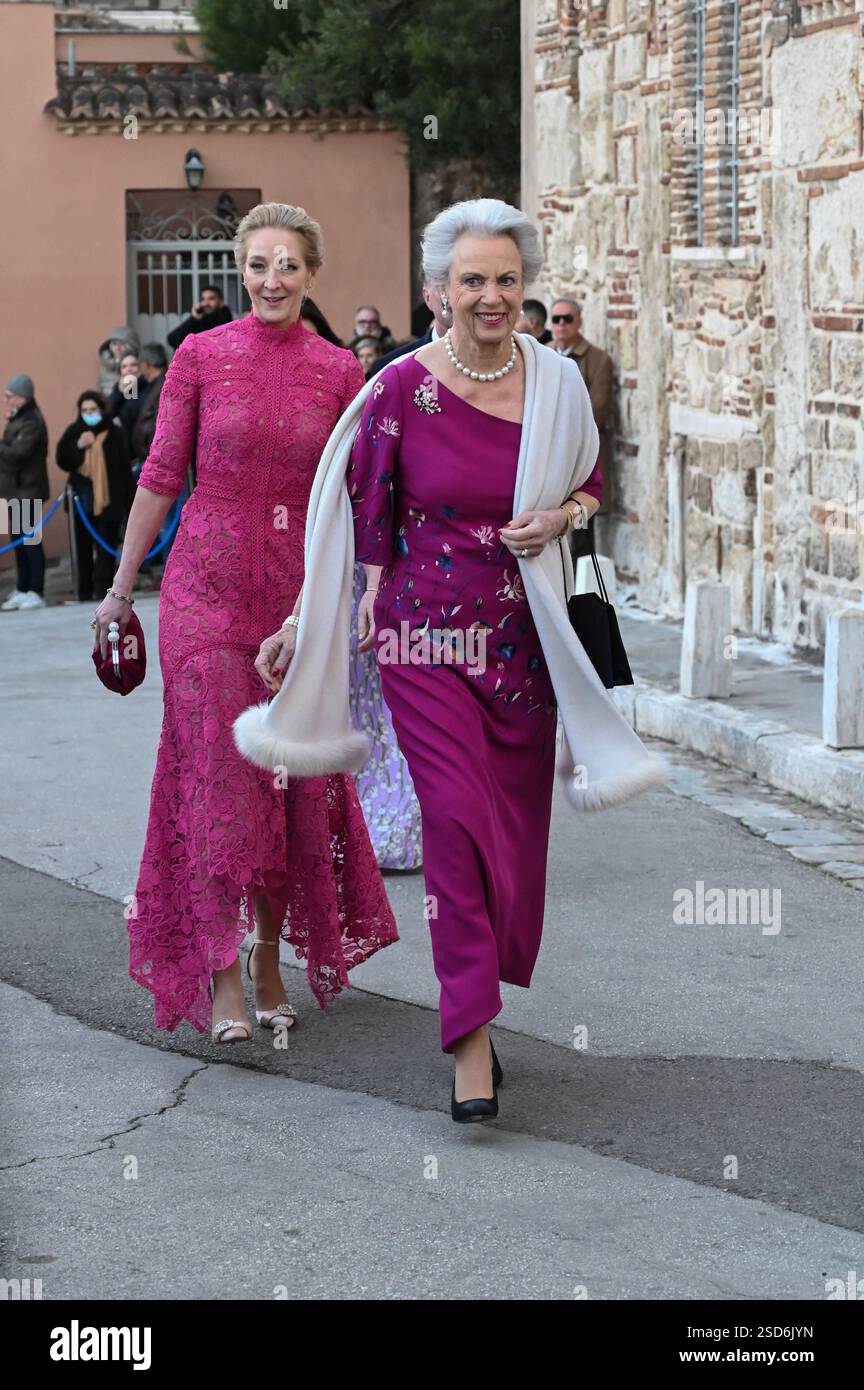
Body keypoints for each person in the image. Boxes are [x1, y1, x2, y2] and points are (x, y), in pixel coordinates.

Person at [236, 198, 664, 1123]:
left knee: (512, 836)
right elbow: (362, 513)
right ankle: (470, 1039)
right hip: (422, 636)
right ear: (437, 290)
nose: (491, 296)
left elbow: (589, 481)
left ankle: (489, 977)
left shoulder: (555, 385)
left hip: (522, 643)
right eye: (473, 280)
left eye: (506, 280)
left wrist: (562, 518)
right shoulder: (399, 388)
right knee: (457, 823)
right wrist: (333, 607)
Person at [91, 201, 398, 1043]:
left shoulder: (341, 373)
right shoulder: (198, 355)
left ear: (311, 273)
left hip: (296, 603)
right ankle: (222, 970)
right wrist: (121, 588)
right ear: (240, 270)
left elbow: (357, 497)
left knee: (285, 783)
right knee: (219, 779)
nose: (271, 280)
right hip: (203, 594)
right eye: (258, 264)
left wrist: (360, 590)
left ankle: (267, 958)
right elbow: (158, 476)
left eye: (288, 265)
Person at [56, 390, 134, 604]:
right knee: (82, 548)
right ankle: (84, 590)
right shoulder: (75, 431)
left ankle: (104, 591)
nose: (89, 414)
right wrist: (79, 446)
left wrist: (130, 503)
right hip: (81, 500)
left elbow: (124, 469)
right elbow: (62, 459)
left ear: (101, 410)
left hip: (109, 499)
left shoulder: (115, 433)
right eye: (84, 411)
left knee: (106, 548)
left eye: (93, 410)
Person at [550, 297, 614, 558]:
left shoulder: (598, 360)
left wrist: (553, 426)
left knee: (582, 527)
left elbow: (595, 411)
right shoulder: (541, 354)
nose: (562, 325)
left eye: (568, 319)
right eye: (556, 319)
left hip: (582, 459)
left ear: (579, 323)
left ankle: (580, 595)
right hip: (548, 457)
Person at [0, 373, 49, 611]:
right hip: (14, 491)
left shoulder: (31, 421)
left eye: (10, 396)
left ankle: (36, 590)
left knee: (29, 541)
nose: (7, 400)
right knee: (18, 541)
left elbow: (17, 454)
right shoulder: (18, 417)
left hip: (27, 490)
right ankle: (22, 587)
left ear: (22, 397)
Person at [370, 282, 448, 374]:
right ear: (428, 297)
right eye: (443, 288)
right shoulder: (389, 367)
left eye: (469, 283)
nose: (453, 297)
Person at [166, 285, 233, 349]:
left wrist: (224, 309)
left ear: (221, 301)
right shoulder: (198, 319)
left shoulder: (224, 318)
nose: (206, 303)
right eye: (203, 299)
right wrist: (194, 318)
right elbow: (172, 340)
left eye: (211, 299)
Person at [108, 352, 142, 453]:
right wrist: (120, 392)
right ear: (120, 372)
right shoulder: (117, 390)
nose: (129, 369)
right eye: (124, 366)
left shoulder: (147, 386)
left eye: (133, 365)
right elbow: (108, 413)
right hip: (127, 449)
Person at [98, 326, 140, 397]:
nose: (118, 348)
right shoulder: (105, 370)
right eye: (114, 344)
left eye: (122, 344)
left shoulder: (138, 369)